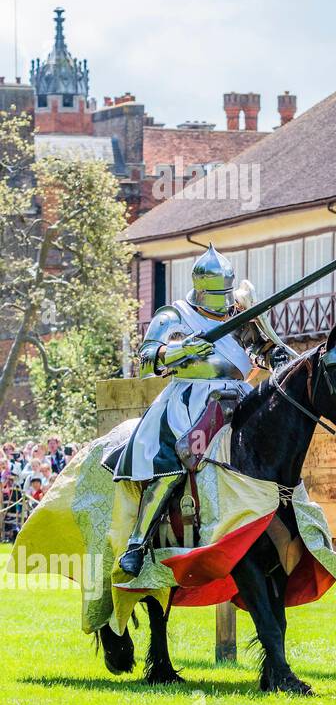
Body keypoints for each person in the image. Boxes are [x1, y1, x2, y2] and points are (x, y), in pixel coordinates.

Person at [104, 245, 292, 575]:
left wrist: (274, 356)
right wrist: (181, 349)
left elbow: (260, 349)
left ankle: (296, 523)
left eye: (227, 292)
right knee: (177, 456)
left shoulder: (238, 313)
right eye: (217, 294)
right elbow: (147, 358)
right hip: (190, 399)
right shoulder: (174, 315)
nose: (223, 301)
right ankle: (139, 540)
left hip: (238, 394)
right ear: (202, 289)